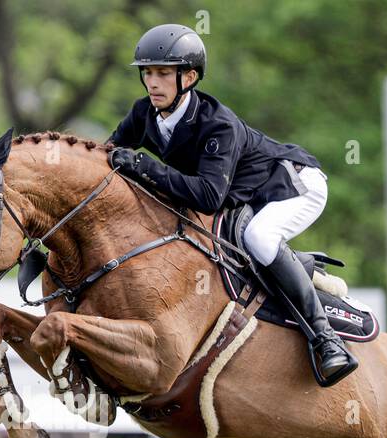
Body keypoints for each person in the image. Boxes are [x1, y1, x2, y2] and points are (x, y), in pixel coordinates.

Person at [107, 24, 356, 386]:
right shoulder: (143, 113)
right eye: (147, 73)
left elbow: (209, 197)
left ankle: (325, 339)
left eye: (163, 73)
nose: (152, 83)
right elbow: (107, 154)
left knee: (259, 237)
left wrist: (146, 167)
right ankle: (303, 267)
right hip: (245, 194)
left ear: (189, 77)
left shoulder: (217, 125)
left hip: (293, 184)